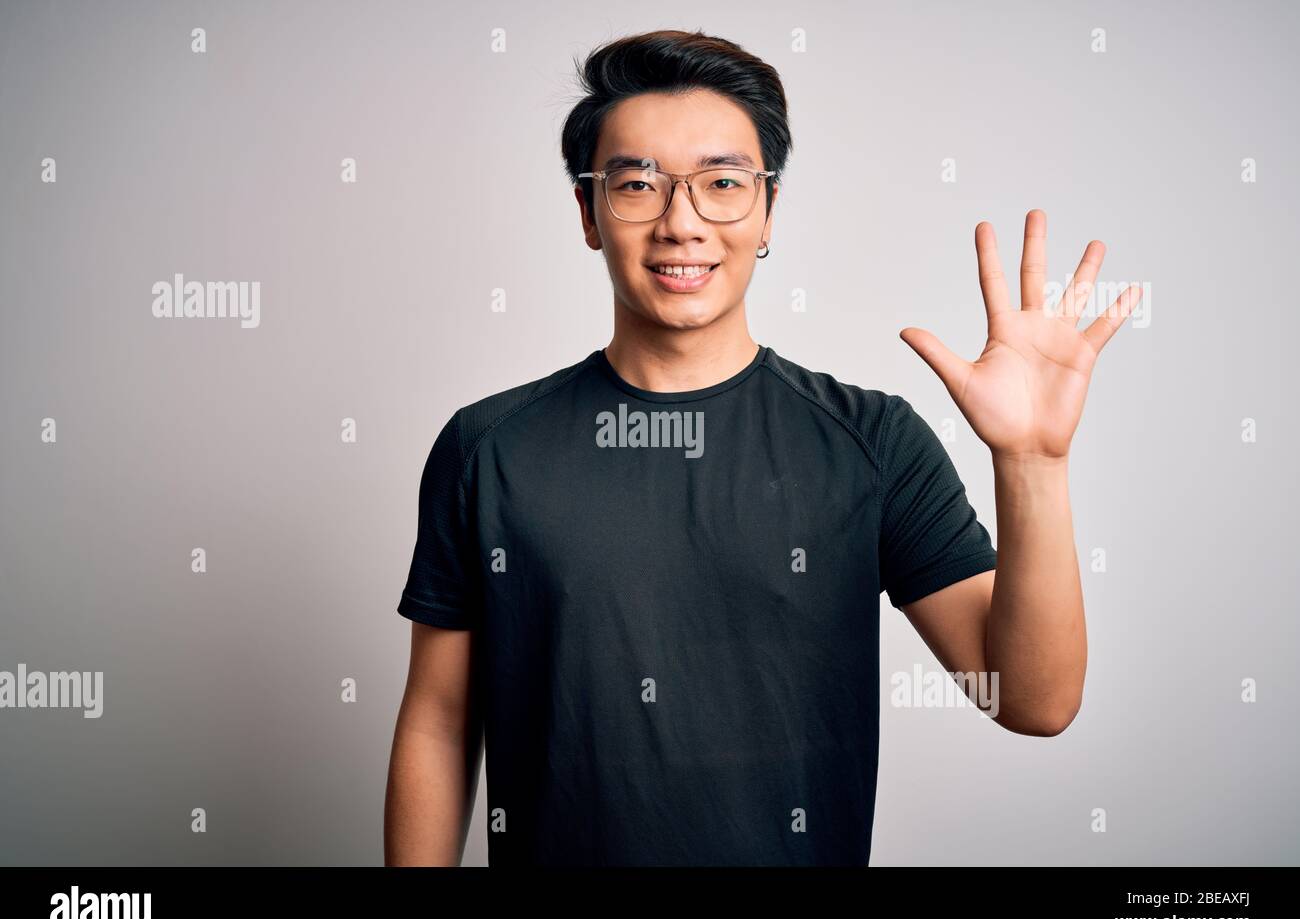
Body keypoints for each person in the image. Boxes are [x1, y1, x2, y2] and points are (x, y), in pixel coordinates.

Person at [384, 30, 1142, 867]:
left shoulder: (873, 443)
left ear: (768, 210)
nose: (682, 223)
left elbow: (1035, 700)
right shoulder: (488, 447)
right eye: (636, 184)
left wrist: (1033, 465)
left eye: (721, 185)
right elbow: (440, 720)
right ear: (589, 214)